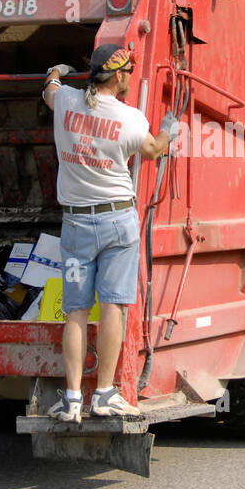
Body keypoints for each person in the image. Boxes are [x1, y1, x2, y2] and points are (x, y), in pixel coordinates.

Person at [41, 44, 178, 422]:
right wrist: (168, 130)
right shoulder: (131, 120)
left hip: (75, 224)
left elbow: (50, 91)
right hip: (117, 222)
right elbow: (152, 151)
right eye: (129, 72)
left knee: (76, 312)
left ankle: (71, 400)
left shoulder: (67, 102)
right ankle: (103, 394)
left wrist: (54, 71)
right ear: (118, 76)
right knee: (113, 306)